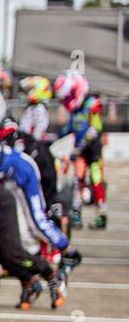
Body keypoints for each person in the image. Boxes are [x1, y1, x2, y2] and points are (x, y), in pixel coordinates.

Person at [0, 85, 79, 309]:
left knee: (33, 226)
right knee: (4, 246)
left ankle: (64, 252)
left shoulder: (10, 133)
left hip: (23, 177)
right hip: (1, 185)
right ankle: (29, 281)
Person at [53, 70, 107, 228]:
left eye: (69, 95)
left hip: (94, 150)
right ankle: (76, 214)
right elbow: (70, 127)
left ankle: (101, 215)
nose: (68, 100)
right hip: (80, 151)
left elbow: (95, 129)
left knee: (96, 181)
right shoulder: (75, 109)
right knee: (78, 180)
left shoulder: (93, 104)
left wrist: (80, 146)